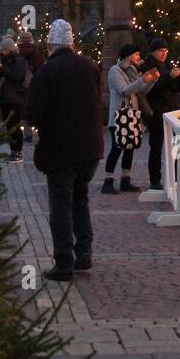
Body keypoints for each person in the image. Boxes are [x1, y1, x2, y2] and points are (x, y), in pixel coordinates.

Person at [27, 19, 103, 282]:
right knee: (80, 199)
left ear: (50, 45)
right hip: (91, 148)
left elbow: (34, 112)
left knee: (60, 205)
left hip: (60, 150)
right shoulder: (90, 66)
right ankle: (84, 252)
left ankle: (64, 262)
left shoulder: (47, 72)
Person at [102, 44, 158, 194]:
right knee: (117, 147)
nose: (139, 57)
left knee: (130, 147)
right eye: (136, 54)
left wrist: (151, 80)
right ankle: (108, 181)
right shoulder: (115, 71)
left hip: (132, 115)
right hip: (119, 116)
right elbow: (125, 91)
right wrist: (142, 79)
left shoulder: (131, 70)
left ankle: (125, 180)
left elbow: (140, 91)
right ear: (128, 56)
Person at [141, 37, 180, 190]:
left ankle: (178, 176)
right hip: (157, 112)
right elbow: (152, 86)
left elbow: (178, 88)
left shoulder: (167, 65)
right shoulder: (147, 66)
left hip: (173, 111)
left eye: (166, 51)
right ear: (153, 51)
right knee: (156, 148)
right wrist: (169, 77)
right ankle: (155, 181)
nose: (164, 53)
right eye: (161, 50)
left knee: (178, 144)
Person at [0, 36, 27, 163]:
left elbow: (17, 76)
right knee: (9, 127)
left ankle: (18, 152)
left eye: (3, 50)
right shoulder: (4, 60)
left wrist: (2, 69)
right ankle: (13, 152)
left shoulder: (19, 61)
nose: (2, 52)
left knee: (15, 127)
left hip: (14, 98)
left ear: (9, 49)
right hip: (4, 98)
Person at [17, 31, 44, 143]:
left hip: (22, 87)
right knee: (37, 109)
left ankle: (27, 134)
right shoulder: (36, 55)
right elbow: (41, 69)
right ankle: (40, 131)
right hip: (34, 86)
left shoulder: (18, 55)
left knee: (24, 111)